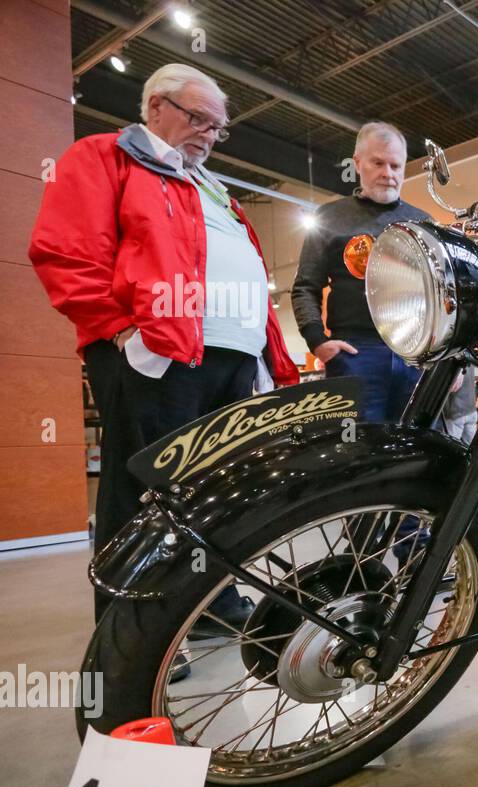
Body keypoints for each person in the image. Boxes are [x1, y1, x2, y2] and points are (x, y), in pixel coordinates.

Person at [29, 63, 299, 627]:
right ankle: (127, 633)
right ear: (156, 107)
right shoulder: (105, 156)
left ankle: (211, 609)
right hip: (157, 356)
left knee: (217, 494)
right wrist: (123, 332)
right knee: (140, 496)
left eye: (218, 127)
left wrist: (265, 354)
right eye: (198, 118)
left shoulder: (213, 187)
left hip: (232, 360)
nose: (209, 133)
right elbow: (66, 253)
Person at [292, 121, 427, 421]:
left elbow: (445, 294)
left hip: (415, 355)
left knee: (417, 452)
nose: (388, 174)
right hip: (354, 352)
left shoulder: (423, 224)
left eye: (396, 165)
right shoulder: (330, 217)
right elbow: (305, 286)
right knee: (355, 452)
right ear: (357, 163)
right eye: (378, 163)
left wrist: (444, 355)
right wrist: (318, 342)